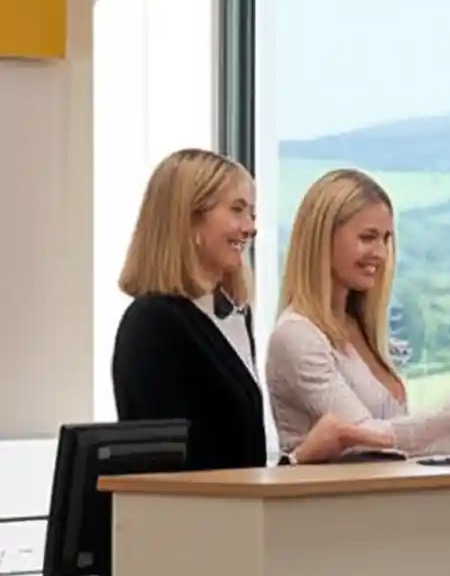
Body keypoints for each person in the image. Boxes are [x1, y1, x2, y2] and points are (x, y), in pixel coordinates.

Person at [112, 149, 390, 471]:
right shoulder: (152, 325)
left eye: (253, 214)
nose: (250, 228)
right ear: (189, 218)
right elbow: (170, 475)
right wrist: (299, 460)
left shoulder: (232, 319)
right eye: (237, 210)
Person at [266, 168, 450, 460]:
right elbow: (367, 436)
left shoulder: (359, 328)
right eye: (367, 237)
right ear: (323, 239)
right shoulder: (297, 335)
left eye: (385, 239)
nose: (381, 254)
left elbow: (399, 441)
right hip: (330, 503)